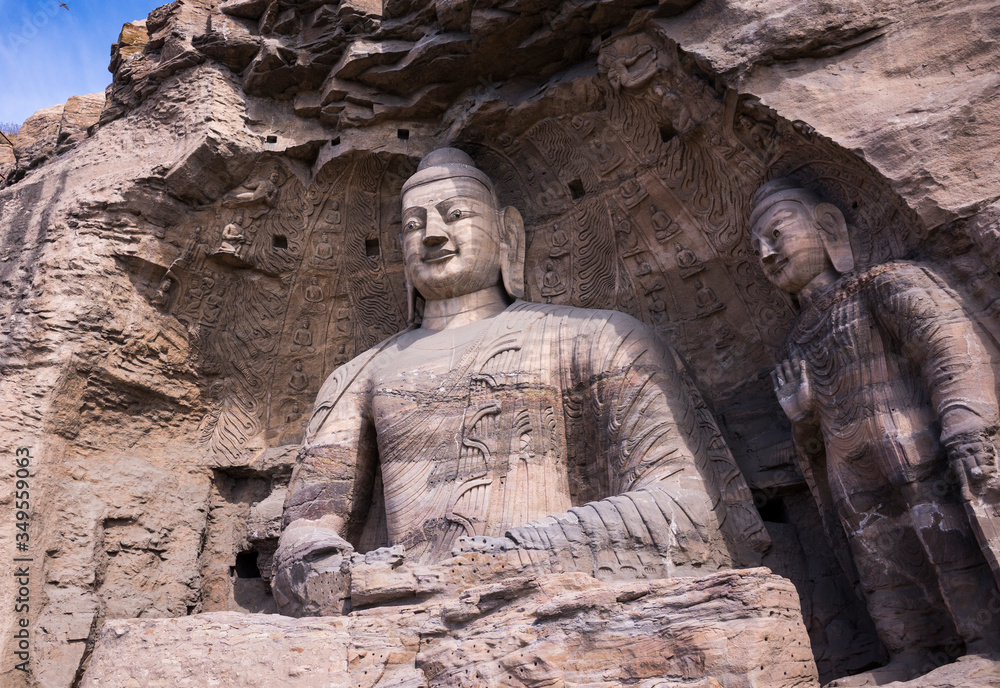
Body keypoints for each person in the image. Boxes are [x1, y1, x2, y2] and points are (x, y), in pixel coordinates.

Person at [272, 149, 767, 616]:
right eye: (412, 225)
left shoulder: (596, 337)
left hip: (554, 607)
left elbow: (691, 510)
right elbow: (309, 524)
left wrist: (513, 554)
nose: (432, 236)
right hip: (402, 610)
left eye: (456, 214)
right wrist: (329, 569)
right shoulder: (359, 374)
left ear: (508, 233)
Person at [753, 177, 1000, 684]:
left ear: (827, 226)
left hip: (916, 444)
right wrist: (803, 418)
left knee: (949, 543)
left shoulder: (888, 282)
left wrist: (966, 423)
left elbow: (949, 351)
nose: (765, 253)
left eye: (776, 234)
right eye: (757, 246)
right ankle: (915, 651)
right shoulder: (796, 340)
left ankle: (984, 640)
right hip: (851, 471)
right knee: (881, 565)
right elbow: (812, 437)